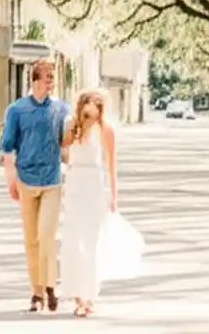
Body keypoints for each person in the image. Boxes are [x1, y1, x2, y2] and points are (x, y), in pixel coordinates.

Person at [0, 60, 69, 313]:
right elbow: (7, 147)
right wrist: (10, 180)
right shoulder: (17, 110)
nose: (51, 81)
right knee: (32, 239)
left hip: (51, 180)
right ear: (35, 80)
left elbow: (66, 145)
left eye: (53, 77)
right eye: (47, 77)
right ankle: (36, 292)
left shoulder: (61, 109)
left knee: (47, 236)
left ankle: (51, 286)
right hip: (26, 179)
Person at [59, 90, 116, 318]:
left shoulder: (106, 130)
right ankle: (77, 294)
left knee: (91, 242)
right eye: (86, 104)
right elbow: (63, 149)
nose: (90, 109)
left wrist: (114, 195)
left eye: (94, 105)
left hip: (94, 184)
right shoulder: (72, 126)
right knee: (73, 239)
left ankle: (89, 295)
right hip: (74, 183)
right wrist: (78, 125)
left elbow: (112, 165)